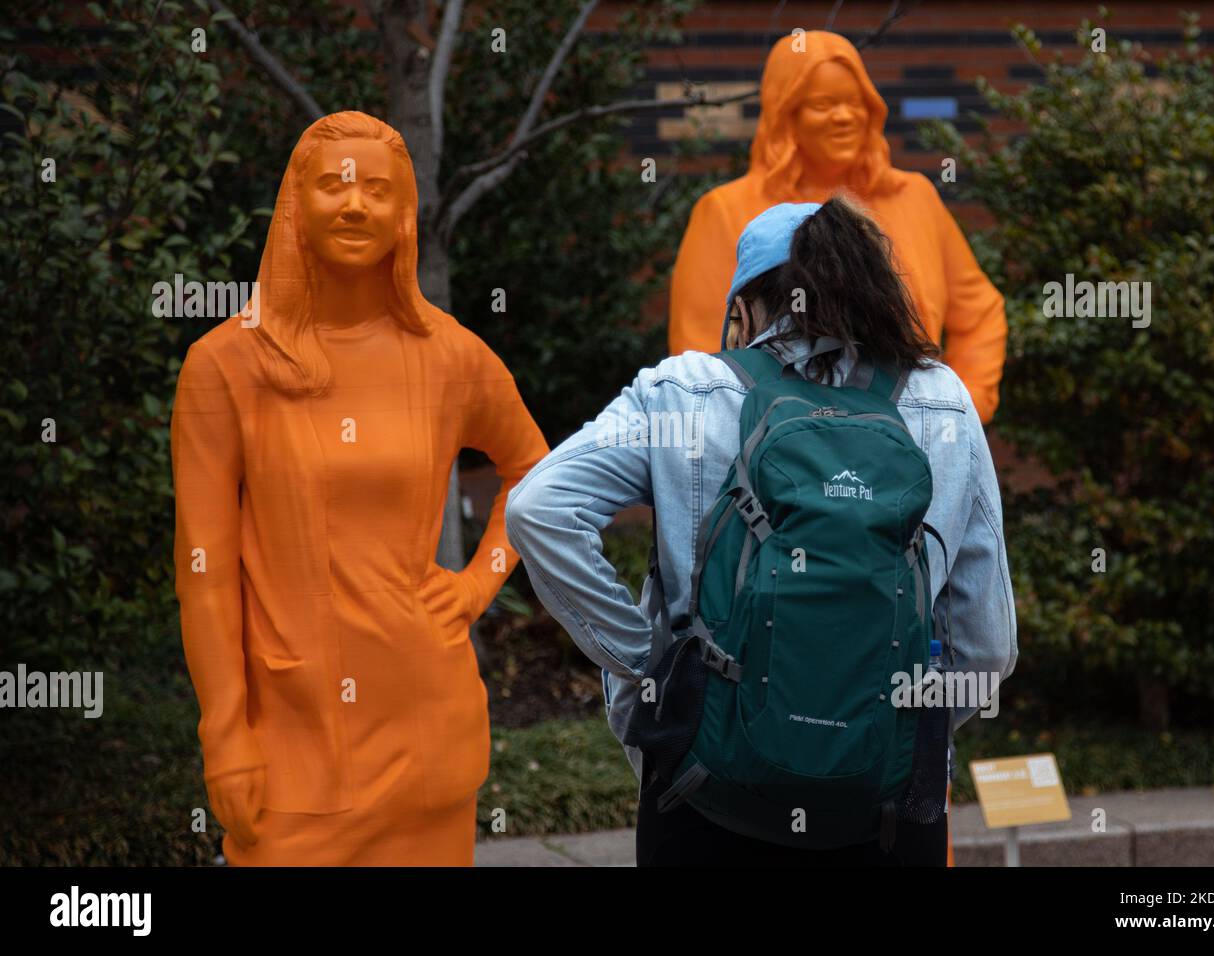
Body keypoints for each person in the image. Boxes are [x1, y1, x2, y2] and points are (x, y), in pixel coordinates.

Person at [506, 195, 1016, 866]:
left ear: (743, 311)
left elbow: (539, 509)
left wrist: (652, 667)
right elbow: (987, 648)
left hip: (704, 789)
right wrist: (896, 719)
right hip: (887, 807)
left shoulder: (685, 391)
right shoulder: (942, 401)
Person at [171, 111, 549, 865]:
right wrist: (225, 734)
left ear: (404, 211)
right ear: (295, 203)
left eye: (377, 190)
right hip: (294, 736)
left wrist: (477, 585)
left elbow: (539, 475)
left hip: (428, 721)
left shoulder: (449, 355)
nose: (354, 205)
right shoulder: (225, 366)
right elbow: (203, 573)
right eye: (333, 186)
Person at [669, 30, 1007, 424]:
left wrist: (960, 408)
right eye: (823, 104)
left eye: (854, 102)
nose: (844, 117)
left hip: (908, 445)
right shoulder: (725, 211)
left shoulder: (915, 197)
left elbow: (979, 313)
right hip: (780, 448)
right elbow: (699, 356)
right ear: (786, 114)